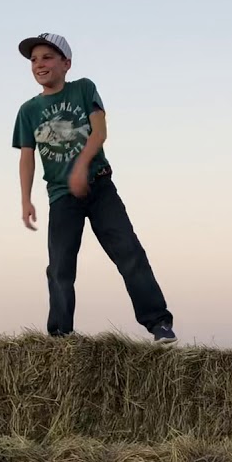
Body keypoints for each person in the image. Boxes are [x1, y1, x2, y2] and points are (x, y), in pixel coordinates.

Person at [11, 33, 177, 344]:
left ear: (66, 63)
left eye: (47, 57)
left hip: (99, 187)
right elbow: (26, 157)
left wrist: (80, 166)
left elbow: (99, 132)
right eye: (34, 60)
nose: (39, 64)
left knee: (129, 252)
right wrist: (25, 199)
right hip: (61, 197)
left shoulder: (84, 89)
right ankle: (60, 337)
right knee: (60, 267)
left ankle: (159, 323)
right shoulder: (28, 110)